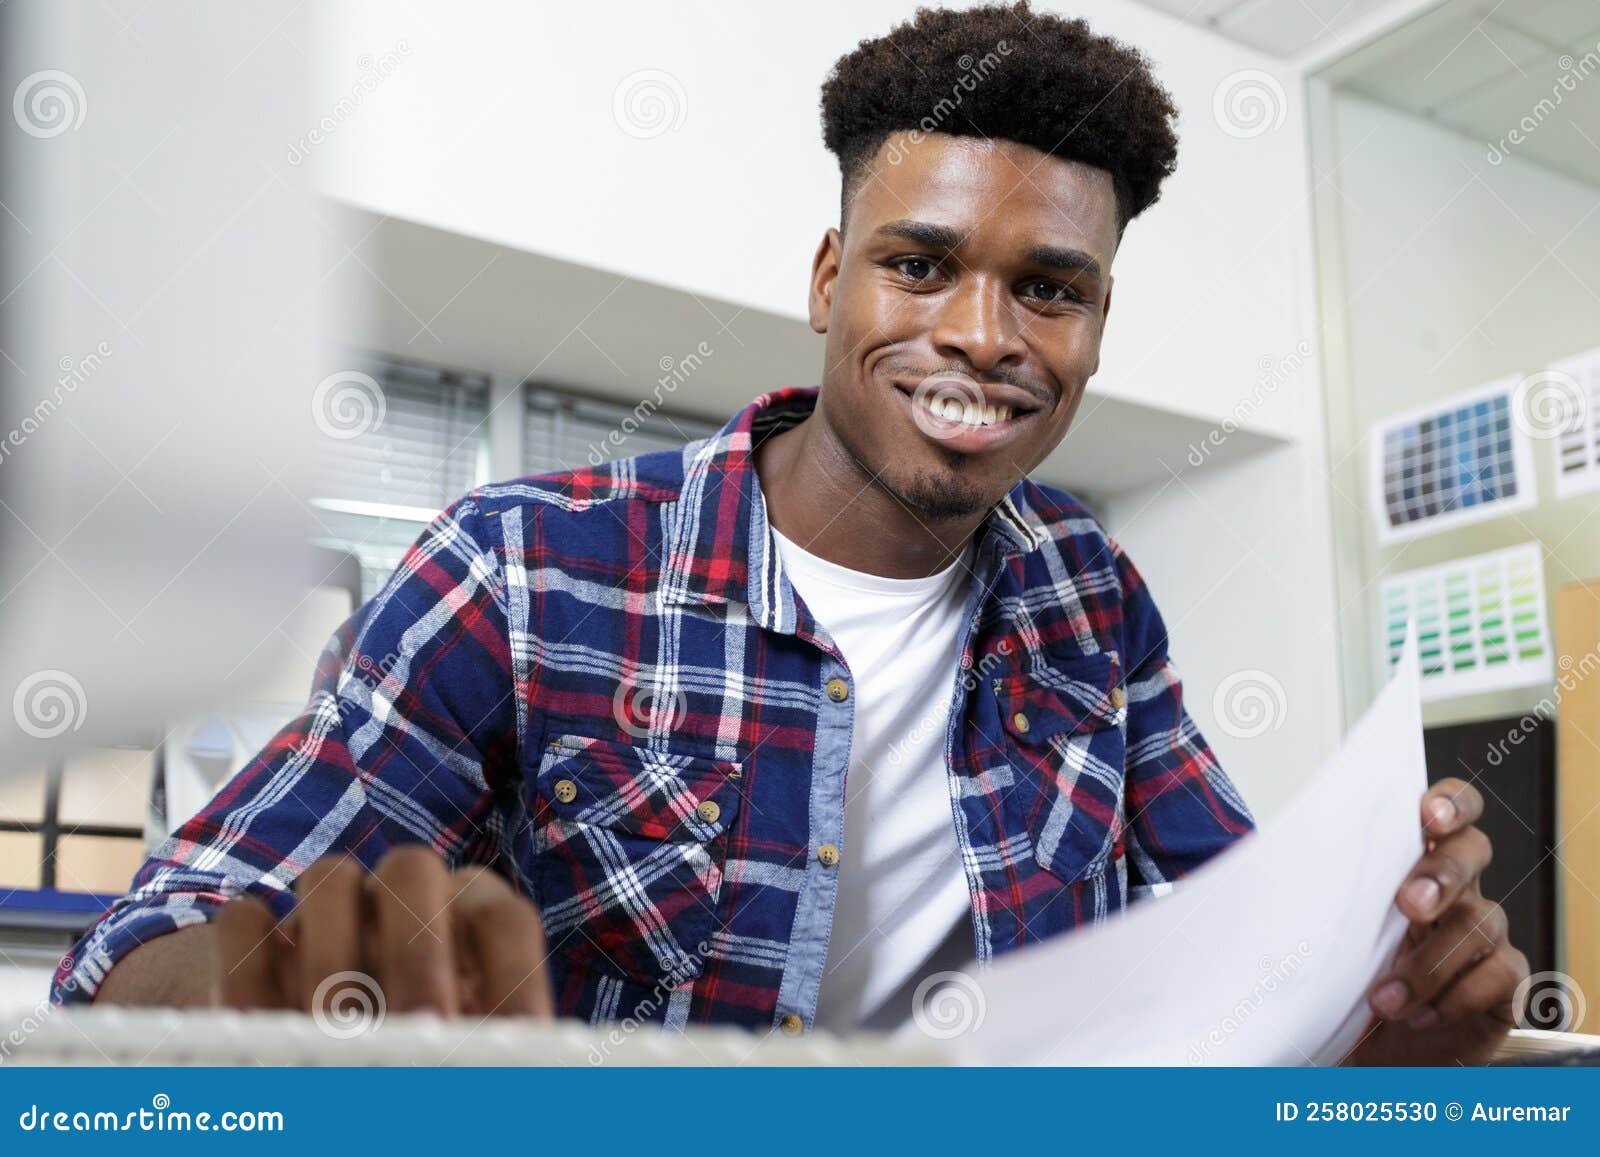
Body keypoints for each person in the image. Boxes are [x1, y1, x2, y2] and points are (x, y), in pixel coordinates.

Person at [55, 1, 1526, 1064]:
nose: (984, 334)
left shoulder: (1089, 594)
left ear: (1095, 322)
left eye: (1050, 289)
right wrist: (266, 986)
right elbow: (131, 966)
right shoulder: (520, 568)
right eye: (921, 264)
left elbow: (1242, 944)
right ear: (831, 280)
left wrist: (1382, 984)